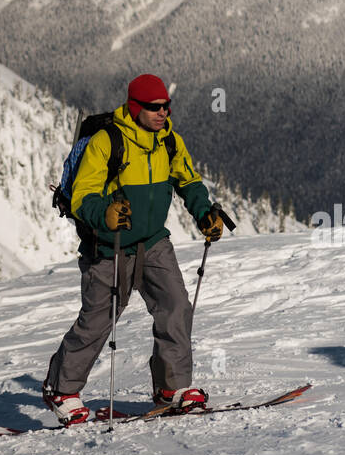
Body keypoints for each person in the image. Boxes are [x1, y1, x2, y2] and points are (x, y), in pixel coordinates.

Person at [43, 73, 224, 425]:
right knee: (98, 320)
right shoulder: (106, 142)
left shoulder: (168, 141)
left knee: (175, 306)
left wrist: (205, 213)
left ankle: (172, 387)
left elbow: (188, 181)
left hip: (153, 241)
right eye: (155, 107)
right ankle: (60, 389)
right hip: (108, 246)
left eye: (166, 106)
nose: (163, 113)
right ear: (134, 106)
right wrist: (104, 214)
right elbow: (83, 196)